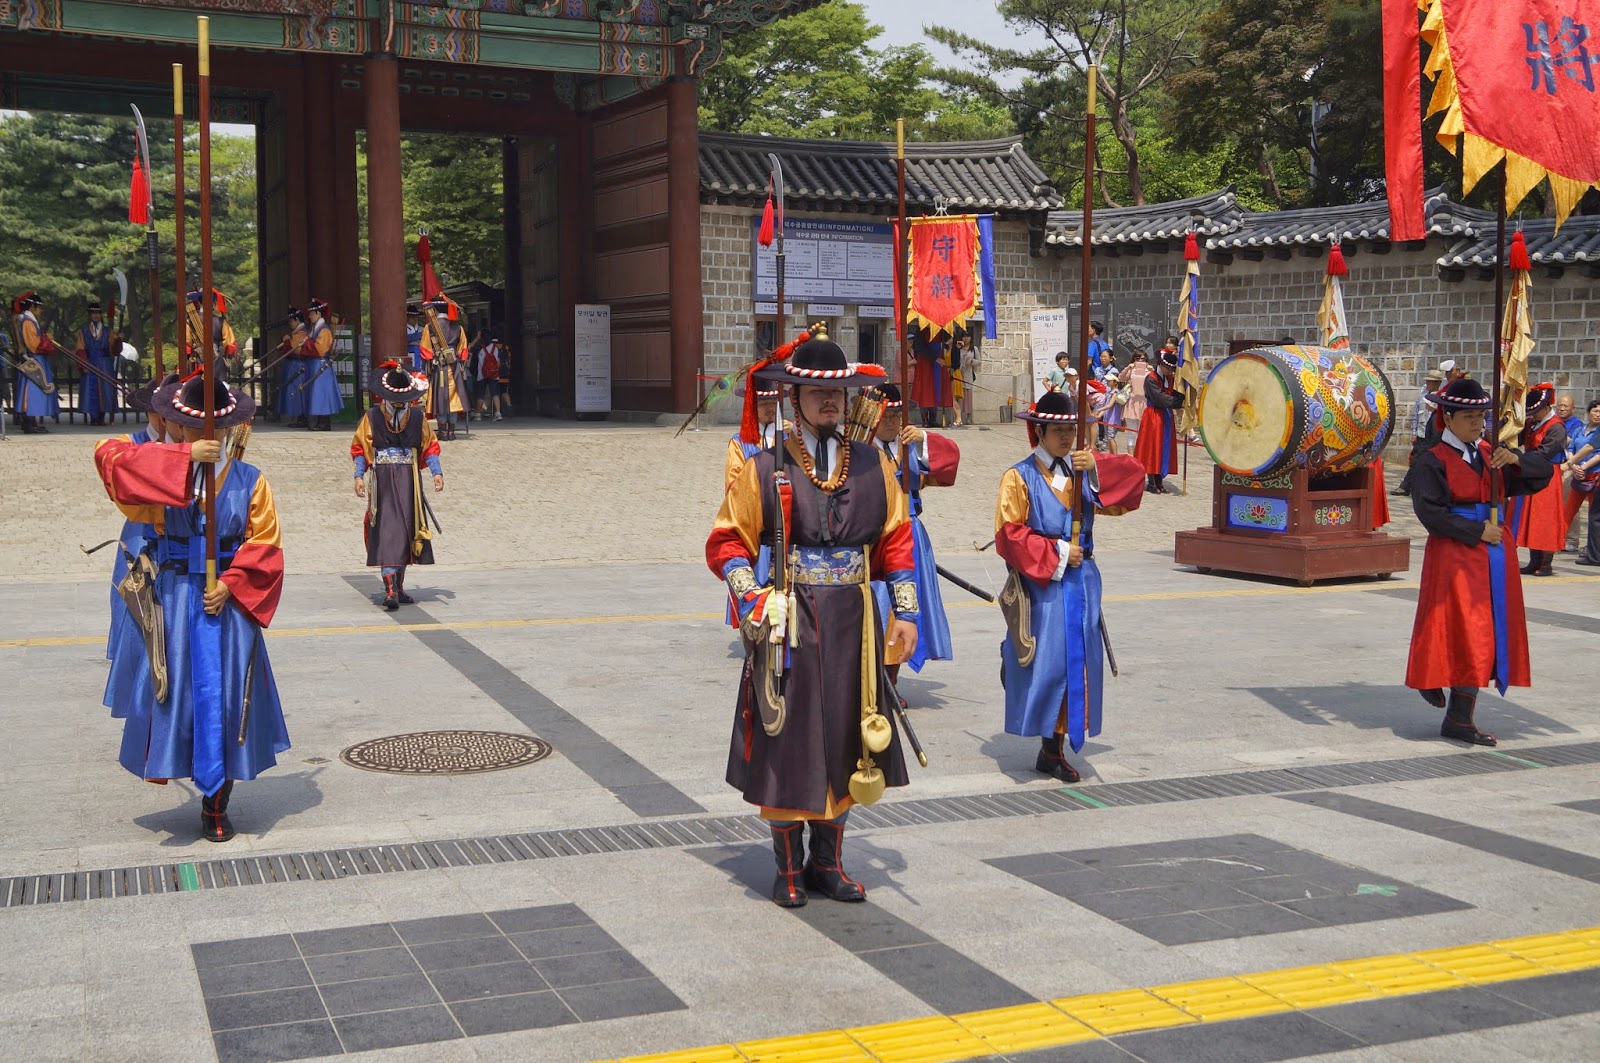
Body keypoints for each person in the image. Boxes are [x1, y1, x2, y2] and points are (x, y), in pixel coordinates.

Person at [706, 327, 917, 908]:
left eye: (839, 394)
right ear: (793, 397)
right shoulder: (765, 467)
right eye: (816, 393)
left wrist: (905, 612)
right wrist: (752, 595)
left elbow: (897, 543)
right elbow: (727, 542)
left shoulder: (875, 464)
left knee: (852, 730)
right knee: (790, 735)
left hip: (856, 619)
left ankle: (829, 861)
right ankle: (787, 867)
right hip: (790, 617)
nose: (831, 403)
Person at [93, 372, 289, 841]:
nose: (206, 438)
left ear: (228, 430)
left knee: (226, 699)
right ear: (176, 428)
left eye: (213, 432)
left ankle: (217, 804)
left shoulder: (250, 480)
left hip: (229, 605)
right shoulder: (161, 476)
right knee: (179, 695)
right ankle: (184, 766)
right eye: (190, 429)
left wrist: (232, 583)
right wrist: (180, 460)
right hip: (178, 600)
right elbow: (110, 462)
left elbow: (266, 544)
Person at [996, 390, 1143, 782]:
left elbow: (1129, 490)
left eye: (1072, 429)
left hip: (1082, 583)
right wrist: (1058, 553)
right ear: (1038, 431)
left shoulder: (1082, 471)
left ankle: (1055, 745)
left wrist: (1096, 467)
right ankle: (1048, 743)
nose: (1066, 437)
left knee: (1079, 664)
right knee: (1049, 665)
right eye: (1058, 429)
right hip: (1044, 585)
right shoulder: (1019, 476)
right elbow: (1009, 536)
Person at [1405, 376, 1553, 747]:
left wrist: (1515, 459)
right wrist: (1475, 532)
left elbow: (1542, 475)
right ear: (1448, 419)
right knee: (1456, 626)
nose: (1478, 424)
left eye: (1481, 418)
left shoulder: (1490, 454)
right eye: (1470, 418)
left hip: (1493, 558)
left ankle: (1459, 717)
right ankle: (1432, 679)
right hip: (1455, 554)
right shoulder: (1431, 460)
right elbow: (1430, 512)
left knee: (1484, 630)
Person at [870, 383, 959, 683]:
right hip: (877, 537)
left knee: (908, 607)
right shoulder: (860, 449)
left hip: (910, 533)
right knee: (882, 608)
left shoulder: (910, 445)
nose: (892, 422)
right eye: (886, 416)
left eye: (897, 415)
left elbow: (947, 468)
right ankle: (875, 675)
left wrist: (924, 438)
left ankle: (891, 677)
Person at [353, 362, 443, 610]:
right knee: (387, 530)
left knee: (406, 530)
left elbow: (429, 446)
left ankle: (400, 586)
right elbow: (360, 448)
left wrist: (437, 472)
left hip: (409, 478)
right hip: (382, 479)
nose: (400, 404)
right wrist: (358, 475)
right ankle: (390, 588)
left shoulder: (416, 417)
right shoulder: (371, 417)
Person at [1505, 383, 1567, 577]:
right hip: (1530, 471)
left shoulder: (1557, 427)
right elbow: (1519, 439)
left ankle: (1546, 564)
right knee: (1530, 519)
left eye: (1537, 411)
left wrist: (1522, 460)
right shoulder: (1532, 423)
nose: (1533, 415)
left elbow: (1545, 453)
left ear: (1547, 408)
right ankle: (1533, 561)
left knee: (1544, 520)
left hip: (1547, 474)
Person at [1133, 348, 1183, 493]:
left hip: (1165, 415)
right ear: (1161, 365)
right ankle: (1152, 482)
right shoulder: (1151, 378)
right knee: (1152, 448)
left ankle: (1160, 481)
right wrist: (1176, 402)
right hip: (1153, 416)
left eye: (1172, 369)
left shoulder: (1169, 379)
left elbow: (1173, 392)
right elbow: (1159, 397)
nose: (1170, 371)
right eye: (1168, 368)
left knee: (1163, 448)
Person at [11, 290, 61, 433]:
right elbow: (33, 344)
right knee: (31, 392)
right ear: (33, 307)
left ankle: (31, 422)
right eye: (40, 307)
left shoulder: (29, 320)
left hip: (36, 359)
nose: (42, 310)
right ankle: (28, 423)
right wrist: (47, 339)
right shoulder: (27, 321)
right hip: (33, 359)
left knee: (35, 391)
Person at [1394, 368, 1446, 496]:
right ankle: (1407, 486)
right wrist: (1414, 432)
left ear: (1437, 383)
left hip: (1434, 435)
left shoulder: (1442, 397)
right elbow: (1416, 415)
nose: (1428, 384)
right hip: (1422, 434)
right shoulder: (1422, 396)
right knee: (1416, 461)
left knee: (1427, 463)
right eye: (1427, 381)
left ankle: (1416, 487)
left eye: (1431, 382)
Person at [723, 379, 783, 490]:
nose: (770, 408)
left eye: (774, 403)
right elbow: (733, 483)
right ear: (751, 406)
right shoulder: (739, 442)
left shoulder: (787, 437)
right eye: (764, 404)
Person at [422, 299, 468, 440]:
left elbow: (425, 350)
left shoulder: (430, 327)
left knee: (440, 398)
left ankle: (442, 432)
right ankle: (451, 432)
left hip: (438, 366)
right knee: (454, 397)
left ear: (435, 311)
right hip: (454, 366)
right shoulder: (458, 328)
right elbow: (463, 350)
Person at [298, 298, 343, 431]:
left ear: (318, 313)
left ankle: (324, 422)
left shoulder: (324, 330)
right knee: (315, 394)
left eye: (312, 314)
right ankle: (318, 421)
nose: (310, 316)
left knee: (322, 394)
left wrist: (306, 342)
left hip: (321, 365)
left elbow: (319, 349)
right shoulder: (315, 329)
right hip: (313, 365)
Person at [76, 301, 121, 427]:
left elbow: (114, 349)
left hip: (105, 363)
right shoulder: (83, 331)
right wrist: (83, 364)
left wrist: (118, 340)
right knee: (91, 391)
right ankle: (93, 417)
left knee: (105, 390)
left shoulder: (108, 331)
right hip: (90, 361)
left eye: (97, 313)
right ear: (89, 315)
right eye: (93, 313)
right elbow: (80, 348)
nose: (95, 315)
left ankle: (102, 416)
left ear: (101, 315)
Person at [1570, 400, 1600, 566]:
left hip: (1595, 475)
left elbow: (1590, 448)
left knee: (1595, 518)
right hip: (1584, 475)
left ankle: (1595, 556)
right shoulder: (1579, 430)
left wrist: (1570, 463)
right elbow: (1572, 446)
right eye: (1595, 411)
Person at [184, 288, 239, 370]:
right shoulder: (221, 322)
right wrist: (228, 357)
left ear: (199, 303)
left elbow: (187, 343)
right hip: (215, 360)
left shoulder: (189, 321)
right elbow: (230, 344)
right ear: (213, 303)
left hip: (197, 361)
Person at [1557, 393, 1585, 550]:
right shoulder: (1554, 422)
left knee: (1569, 502)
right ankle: (1557, 537)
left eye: (1565, 406)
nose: (1561, 409)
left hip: (1569, 466)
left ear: (1573, 409)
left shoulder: (1577, 425)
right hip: (1554, 466)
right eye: (1559, 406)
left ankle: (1572, 540)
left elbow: (1570, 443)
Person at [277, 307, 310, 427]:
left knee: (297, 390)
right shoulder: (296, 333)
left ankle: (301, 417)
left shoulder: (302, 333)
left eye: (291, 321)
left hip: (298, 364)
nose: (290, 324)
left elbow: (295, 349)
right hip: (292, 364)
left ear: (296, 320)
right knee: (293, 389)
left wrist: (287, 341)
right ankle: (297, 417)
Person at [475, 337, 506, 422]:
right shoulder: (495, 348)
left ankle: (477, 414)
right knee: (495, 393)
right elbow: (498, 362)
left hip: (482, 374)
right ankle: (498, 413)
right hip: (494, 374)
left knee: (480, 395)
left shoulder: (480, 349)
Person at [954, 333, 976, 427]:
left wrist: (972, 362)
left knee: (968, 398)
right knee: (959, 397)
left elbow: (979, 361)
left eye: (968, 336)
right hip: (958, 374)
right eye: (964, 337)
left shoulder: (974, 349)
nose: (966, 339)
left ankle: (968, 417)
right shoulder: (958, 348)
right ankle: (959, 417)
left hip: (968, 375)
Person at [405, 304, 427, 373]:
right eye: (412, 317)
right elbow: (406, 339)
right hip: (410, 354)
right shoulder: (404, 329)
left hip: (421, 354)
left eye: (416, 317)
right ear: (407, 318)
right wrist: (419, 336)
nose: (415, 319)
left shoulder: (422, 328)